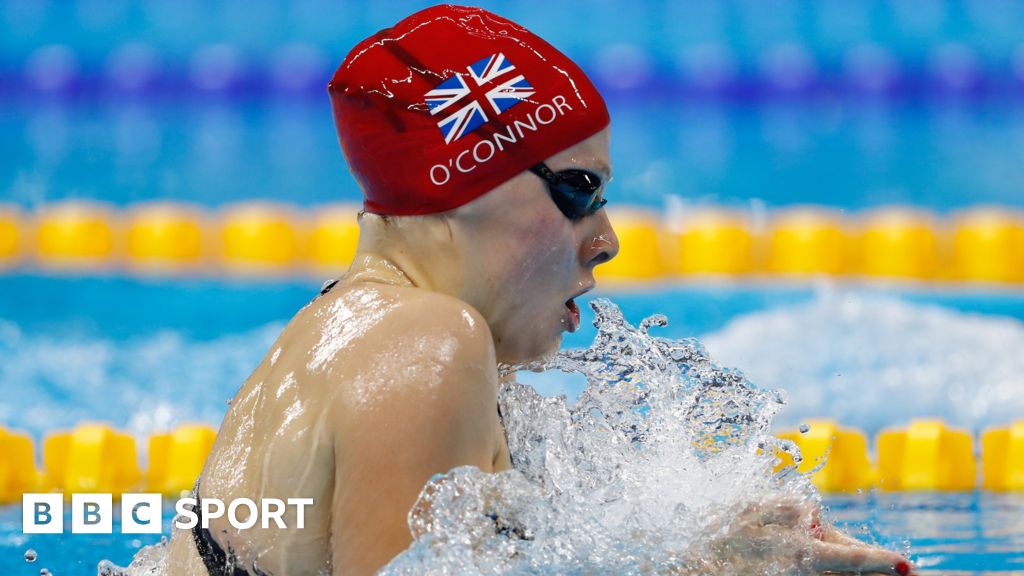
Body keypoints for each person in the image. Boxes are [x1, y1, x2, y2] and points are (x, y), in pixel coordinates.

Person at [165, 5, 917, 576]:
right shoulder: (423, 344)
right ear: (461, 187)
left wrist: (703, 549)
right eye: (578, 190)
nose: (608, 239)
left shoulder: (367, 330)